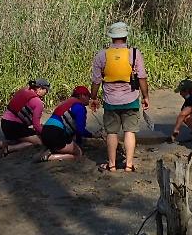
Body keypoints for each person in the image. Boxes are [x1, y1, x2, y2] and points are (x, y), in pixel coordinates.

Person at [91, 21, 149, 172]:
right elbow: (141, 77)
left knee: (111, 132)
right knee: (130, 131)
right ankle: (129, 165)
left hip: (110, 100)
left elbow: (96, 80)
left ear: (111, 37)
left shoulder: (101, 55)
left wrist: (94, 98)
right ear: (125, 36)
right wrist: (145, 97)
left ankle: (112, 165)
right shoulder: (134, 53)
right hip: (131, 99)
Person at [39, 86, 95, 161]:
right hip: (55, 134)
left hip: (45, 132)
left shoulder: (67, 103)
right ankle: (49, 157)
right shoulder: (80, 107)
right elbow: (80, 130)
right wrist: (93, 135)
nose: (89, 99)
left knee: (71, 144)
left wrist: (79, 144)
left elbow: (76, 132)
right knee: (78, 154)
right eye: (88, 96)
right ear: (82, 96)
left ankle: (51, 150)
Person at [0, 78, 50, 155]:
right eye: (46, 90)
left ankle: (1, 143)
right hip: (13, 127)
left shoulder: (24, 90)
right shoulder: (38, 103)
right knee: (39, 141)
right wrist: (46, 134)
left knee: (25, 136)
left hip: (4, 123)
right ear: (40, 89)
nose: (46, 93)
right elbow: (36, 126)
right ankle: (10, 148)